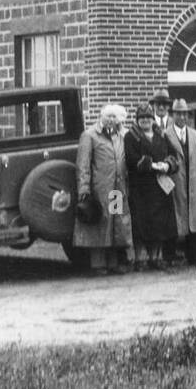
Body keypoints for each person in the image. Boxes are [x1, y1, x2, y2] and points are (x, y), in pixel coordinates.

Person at [73, 103, 131, 275]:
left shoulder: (123, 135)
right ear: (102, 117)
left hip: (117, 189)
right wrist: (84, 189)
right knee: (98, 223)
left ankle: (113, 261)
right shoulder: (89, 135)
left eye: (115, 117)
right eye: (108, 116)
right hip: (99, 189)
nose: (111, 120)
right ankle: (98, 263)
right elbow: (83, 164)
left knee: (116, 223)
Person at [124, 102, 179, 269]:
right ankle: (140, 259)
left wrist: (167, 165)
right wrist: (151, 165)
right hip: (141, 188)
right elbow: (131, 158)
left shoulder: (161, 134)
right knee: (141, 225)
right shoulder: (131, 136)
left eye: (148, 117)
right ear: (137, 120)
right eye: (142, 118)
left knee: (160, 225)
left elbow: (173, 154)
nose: (146, 121)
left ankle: (157, 257)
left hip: (161, 187)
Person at [166, 99, 196, 265]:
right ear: (173, 115)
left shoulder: (195, 135)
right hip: (176, 183)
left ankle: (194, 255)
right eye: (178, 114)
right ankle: (171, 256)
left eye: (184, 114)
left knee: (195, 219)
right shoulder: (166, 134)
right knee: (176, 220)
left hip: (194, 181)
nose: (182, 117)